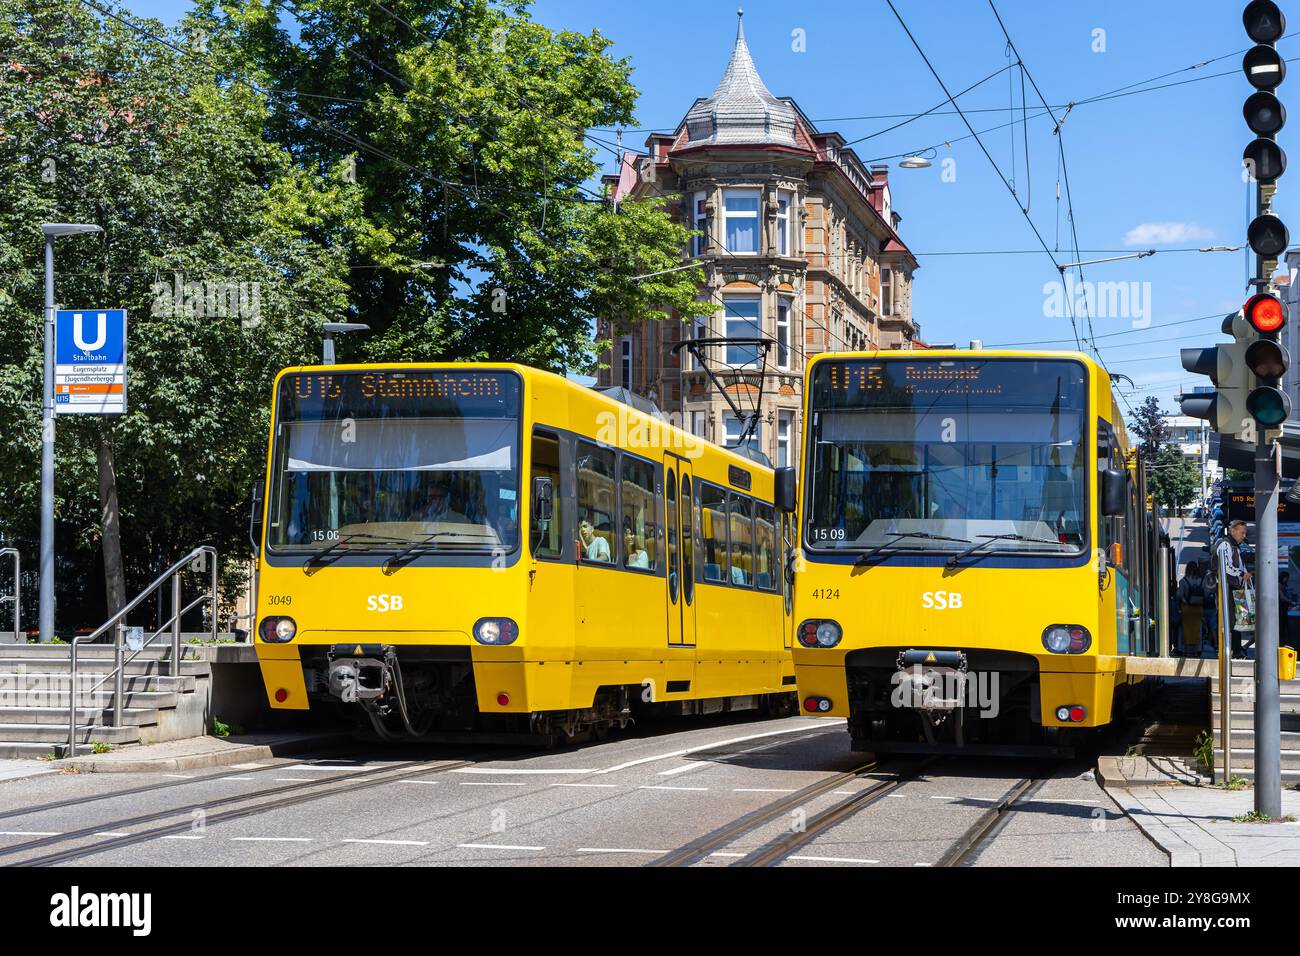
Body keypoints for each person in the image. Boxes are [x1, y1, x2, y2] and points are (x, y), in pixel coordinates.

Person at [1215, 519, 1252, 658]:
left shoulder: (1235, 547)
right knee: (1231, 621)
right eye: (1242, 533)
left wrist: (1245, 574)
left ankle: (1236, 649)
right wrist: (1242, 574)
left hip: (1237, 589)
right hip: (1228, 589)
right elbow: (1226, 566)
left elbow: (1238, 566)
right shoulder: (1225, 545)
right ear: (1233, 531)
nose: (1244, 536)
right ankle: (1230, 649)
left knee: (1239, 622)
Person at [1176, 561, 1205, 657]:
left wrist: (1184, 601)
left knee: (1185, 630)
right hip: (1198, 608)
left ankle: (1185, 650)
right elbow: (1206, 593)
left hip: (1187, 608)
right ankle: (1197, 649)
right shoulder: (1201, 580)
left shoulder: (1183, 581)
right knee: (1198, 630)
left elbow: (1179, 595)